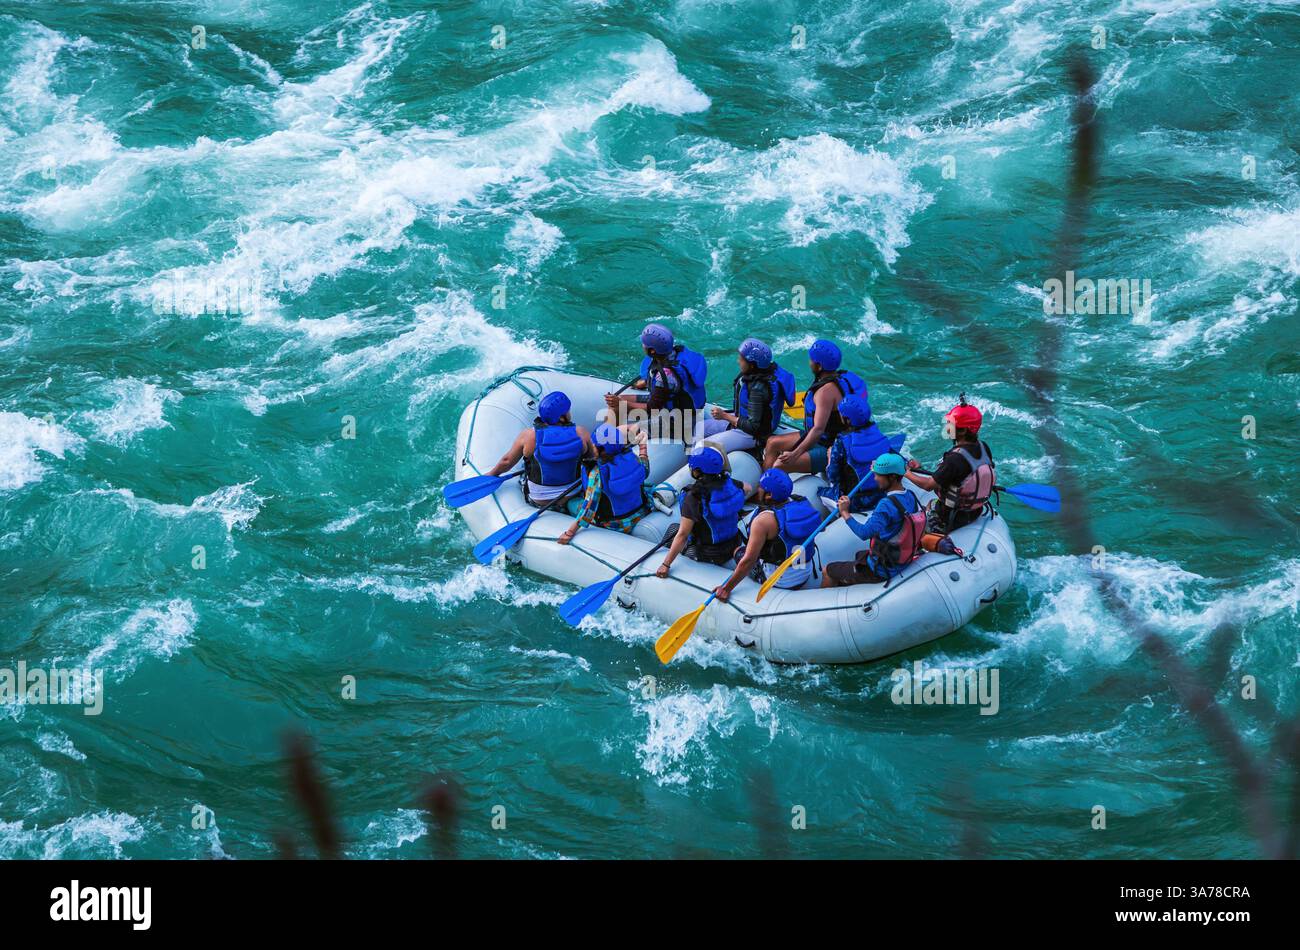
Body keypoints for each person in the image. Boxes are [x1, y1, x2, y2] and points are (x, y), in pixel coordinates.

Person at [714, 469, 822, 600]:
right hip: (805, 572)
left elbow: (748, 560)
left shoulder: (763, 521)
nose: (758, 489)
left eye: (761, 487)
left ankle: (761, 575)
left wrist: (726, 588)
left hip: (781, 580)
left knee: (739, 552)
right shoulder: (802, 502)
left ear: (769, 494)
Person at [762, 339, 866, 475]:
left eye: (812, 360)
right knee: (772, 443)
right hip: (821, 438)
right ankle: (763, 485)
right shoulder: (841, 377)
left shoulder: (825, 392)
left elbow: (818, 429)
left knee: (780, 465)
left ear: (819, 366)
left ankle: (769, 489)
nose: (809, 363)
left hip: (829, 447)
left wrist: (794, 454)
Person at [821, 453, 926, 587]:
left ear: (892, 477)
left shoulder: (886, 505)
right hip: (903, 559)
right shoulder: (910, 495)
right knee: (859, 554)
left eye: (878, 475)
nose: (875, 478)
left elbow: (864, 533)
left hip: (881, 570)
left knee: (827, 570)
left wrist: (845, 512)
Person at [904, 394, 995, 532]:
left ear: (963, 431)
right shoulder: (983, 447)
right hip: (975, 511)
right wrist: (920, 468)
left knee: (910, 524)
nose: (947, 427)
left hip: (951, 516)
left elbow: (928, 486)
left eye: (951, 424)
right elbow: (959, 475)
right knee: (930, 502)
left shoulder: (954, 459)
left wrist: (906, 473)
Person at [485, 391, 592, 507]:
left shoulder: (529, 436)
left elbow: (507, 461)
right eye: (568, 411)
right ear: (562, 418)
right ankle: (571, 506)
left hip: (540, 500)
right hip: (572, 493)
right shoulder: (581, 433)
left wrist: (492, 474)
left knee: (525, 466)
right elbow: (592, 459)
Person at [692, 338, 796, 456]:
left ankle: (705, 468)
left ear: (752, 365)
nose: (738, 361)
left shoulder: (758, 389)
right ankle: (691, 461)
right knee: (699, 427)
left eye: (741, 359)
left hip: (752, 434)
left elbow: (753, 427)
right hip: (743, 420)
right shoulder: (761, 372)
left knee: (703, 446)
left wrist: (724, 416)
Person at [656, 444, 749, 575]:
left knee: (674, 529)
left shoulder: (694, 496)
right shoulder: (730, 483)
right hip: (734, 541)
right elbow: (748, 488)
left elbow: (682, 535)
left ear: (697, 471)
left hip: (711, 553)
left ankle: (665, 560)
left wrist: (666, 565)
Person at [605, 323, 708, 439]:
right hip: (674, 406)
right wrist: (646, 383)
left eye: (644, 344)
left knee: (625, 425)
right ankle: (607, 441)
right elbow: (675, 384)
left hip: (678, 421)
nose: (642, 346)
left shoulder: (665, 376)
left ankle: (608, 446)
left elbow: (652, 408)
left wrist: (622, 404)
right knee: (619, 404)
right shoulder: (673, 354)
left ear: (652, 351)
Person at [557, 424, 651, 544]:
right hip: (641, 512)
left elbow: (589, 507)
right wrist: (643, 447)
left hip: (615, 524)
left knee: (571, 503)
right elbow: (645, 470)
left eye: (593, 444)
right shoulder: (632, 457)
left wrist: (570, 532)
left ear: (600, 448)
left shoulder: (597, 473)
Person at [819, 393, 894, 514]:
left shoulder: (843, 441)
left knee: (820, 492)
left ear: (848, 419)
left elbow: (833, 476)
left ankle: (838, 518)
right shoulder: (879, 434)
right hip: (881, 496)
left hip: (854, 501)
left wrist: (829, 457)